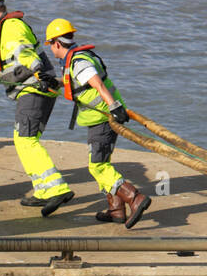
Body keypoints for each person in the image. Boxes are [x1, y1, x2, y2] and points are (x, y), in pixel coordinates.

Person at [0, 0, 73, 217]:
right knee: (27, 139)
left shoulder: (11, 27)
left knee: (25, 140)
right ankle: (42, 190)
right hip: (36, 89)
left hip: (34, 89)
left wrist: (38, 73)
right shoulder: (2, 30)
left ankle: (57, 189)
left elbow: (25, 54)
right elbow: (2, 63)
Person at [44, 18, 150, 227]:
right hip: (100, 118)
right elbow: (79, 85)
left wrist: (114, 107)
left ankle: (134, 198)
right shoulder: (75, 60)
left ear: (56, 43)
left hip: (104, 118)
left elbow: (97, 83)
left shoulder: (78, 62)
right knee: (103, 163)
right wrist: (53, 83)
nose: (51, 50)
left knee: (98, 166)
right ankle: (116, 210)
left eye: (50, 45)